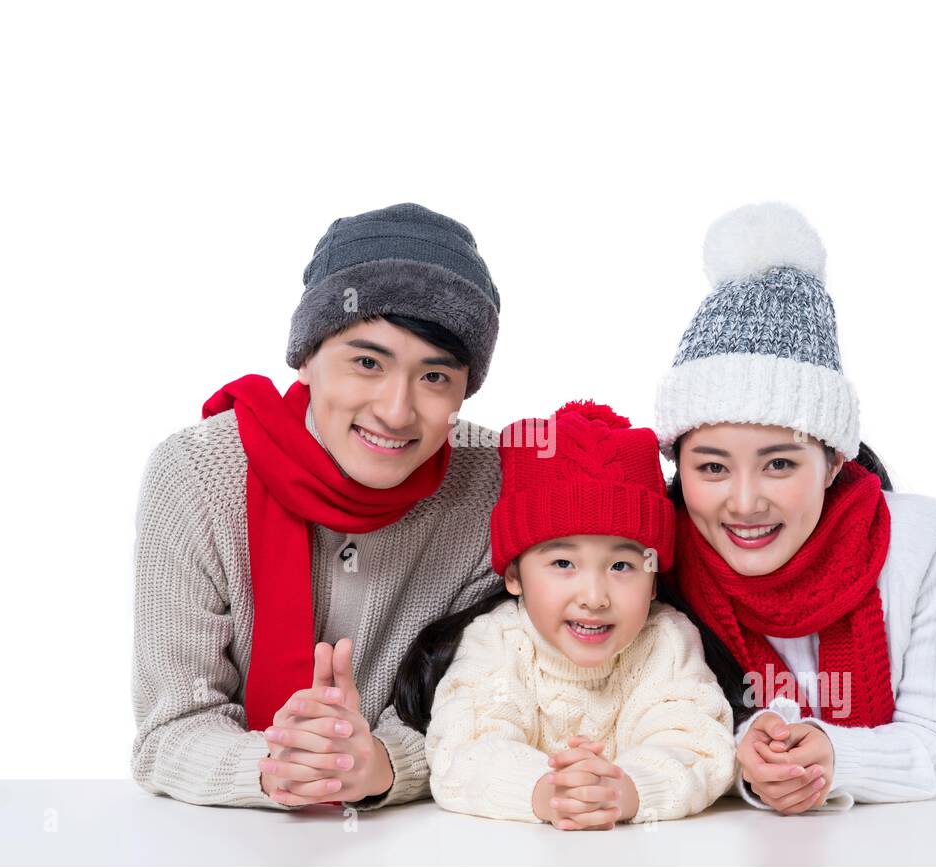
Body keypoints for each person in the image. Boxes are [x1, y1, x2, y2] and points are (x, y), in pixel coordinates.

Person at [131, 202, 504, 811]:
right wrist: (277, 765)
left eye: (434, 377)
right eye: (367, 362)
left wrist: (383, 762)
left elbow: (487, 712)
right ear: (307, 357)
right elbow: (170, 728)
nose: (395, 411)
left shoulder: (491, 483)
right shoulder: (196, 473)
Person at [654, 202, 936, 814]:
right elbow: (658, 728)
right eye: (712, 468)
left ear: (832, 462)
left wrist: (833, 757)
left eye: (779, 464)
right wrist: (748, 755)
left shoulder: (922, 541)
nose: (744, 502)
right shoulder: (656, 555)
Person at [395, 401, 737, 829]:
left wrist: (627, 789)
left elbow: (696, 741)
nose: (594, 597)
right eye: (563, 564)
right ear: (515, 575)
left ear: (653, 581)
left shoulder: (665, 641)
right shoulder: (496, 642)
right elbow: (465, 750)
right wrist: (546, 791)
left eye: (621, 566)